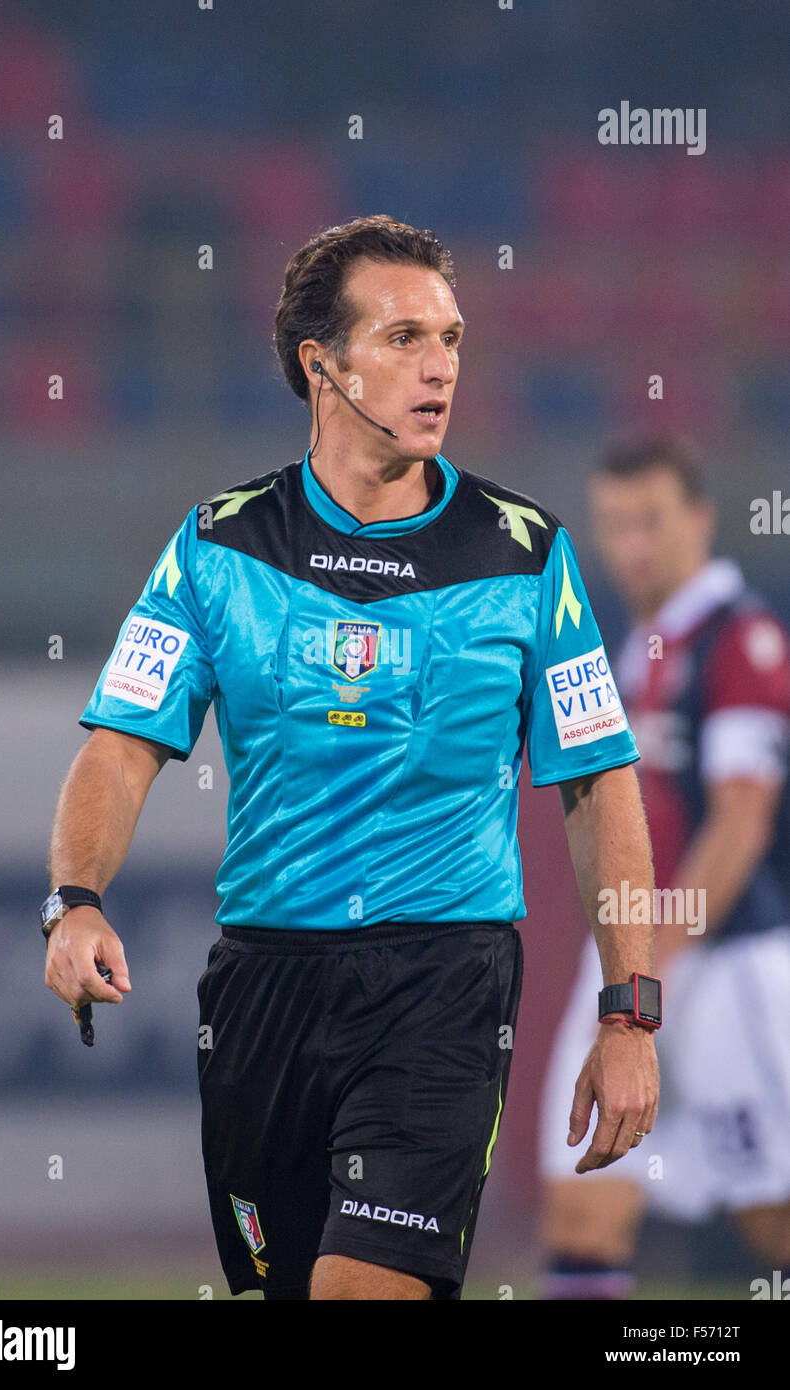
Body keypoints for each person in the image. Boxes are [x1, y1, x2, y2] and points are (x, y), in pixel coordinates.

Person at [42, 214, 658, 1302]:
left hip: (440, 983)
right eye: (405, 337)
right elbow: (122, 747)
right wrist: (75, 899)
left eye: (453, 338)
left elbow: (598, 783)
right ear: (320, 365)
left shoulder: (524, 555)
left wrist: (627, 1013)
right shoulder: (218, 545)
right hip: (260, 989)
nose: (440, 366)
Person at [538, 437, 790, 1299]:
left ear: (699, 520)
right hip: (628, 970)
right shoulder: (629, 647)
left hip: (723, 968)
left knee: (771, 1218)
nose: (633, 544)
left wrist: (652, 969)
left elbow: (742, 821)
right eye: (614, 525)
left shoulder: (740, 641)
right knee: (579, 1208)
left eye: (651, 521)